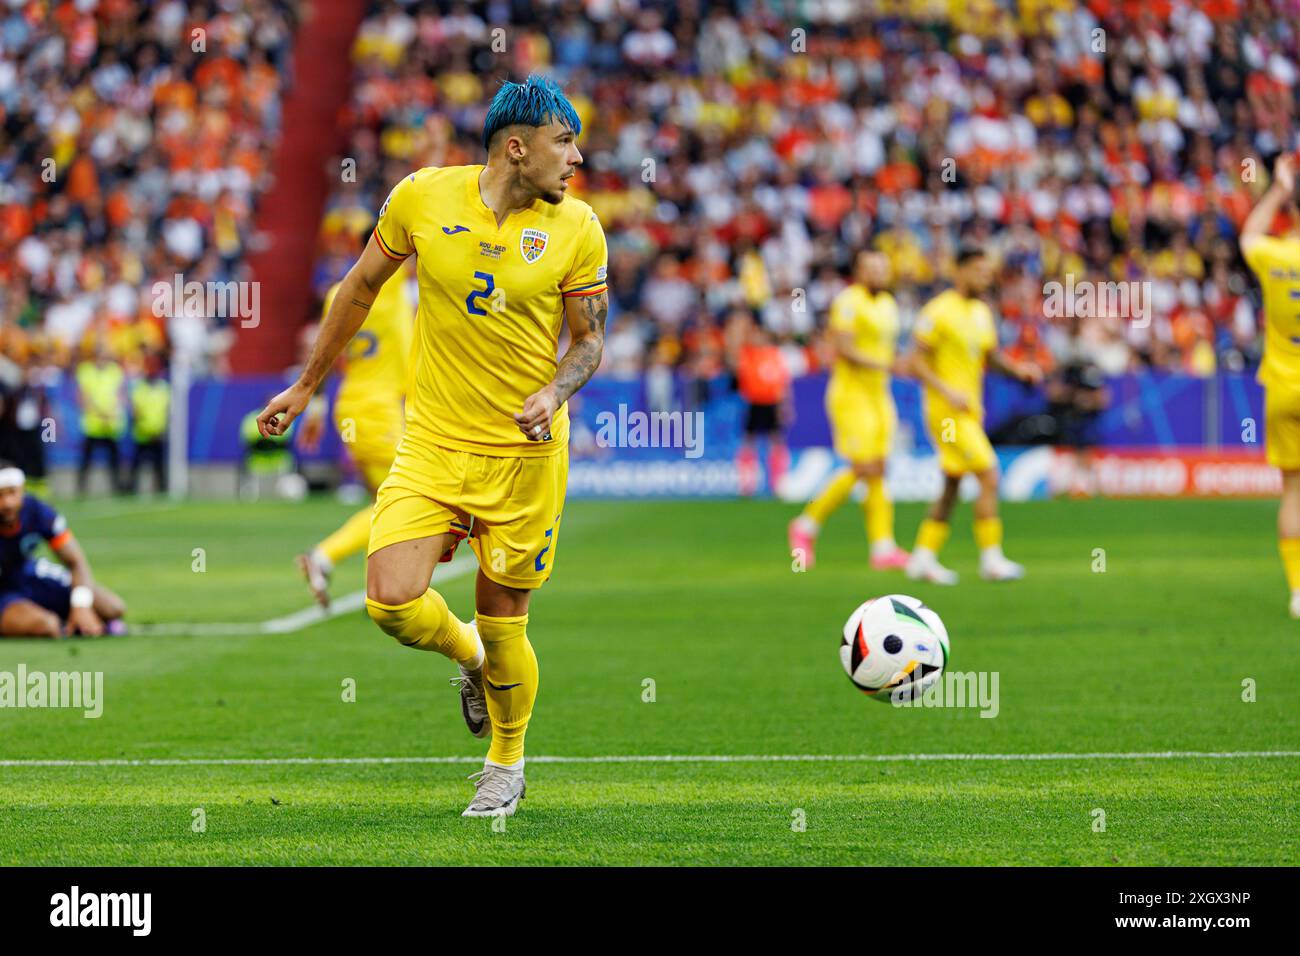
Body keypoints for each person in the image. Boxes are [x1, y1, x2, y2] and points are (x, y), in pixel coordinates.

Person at [257, 75, 608, 817]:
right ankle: (471, 661)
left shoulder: (579, 227)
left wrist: (557, 390)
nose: (577, 158)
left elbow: (589, 341)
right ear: (517, 149)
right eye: (564, 142)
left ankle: (506, 763)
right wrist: (306, 386)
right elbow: (358, 287)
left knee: (503, 614)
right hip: (435, 442)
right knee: (388, 600)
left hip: (524, 455)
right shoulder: (420, 197)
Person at [903, 244, 1043, 585]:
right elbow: (915, 360)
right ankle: (991, 558)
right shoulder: (938, 311)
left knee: (952, 484)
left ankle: (922, 558)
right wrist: (946, 389)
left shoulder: (982, 312)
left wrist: (1018, 370)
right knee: (989, 474)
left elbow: (990, 356)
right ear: (960, 270)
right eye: (979, 271)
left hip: (968, 411)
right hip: (947, 414)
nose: (985, 277)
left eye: (987, 272)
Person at [296, 229, 416, 606]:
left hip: (351, 404)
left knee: (383, 501)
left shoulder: (340, 291)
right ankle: (323, 557)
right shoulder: (391, 282)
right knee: (407, 499)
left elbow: (326, 349)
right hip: (378, 410)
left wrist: (315, 406)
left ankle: (379, 591)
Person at [788, 251, 909, 570]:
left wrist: (896, 362)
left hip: (879, 394)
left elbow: (886, 349)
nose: (879, 273)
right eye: (872, 267)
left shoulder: (888, 305)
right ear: (859, 272)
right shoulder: (848, 301)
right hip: (851, 395)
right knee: (863, 467)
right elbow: (844, 348)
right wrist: (888, 363)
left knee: (879, 467)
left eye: (883, 267)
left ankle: (883, 547)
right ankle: (806, 525)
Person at [1240, 152, 1300, 618]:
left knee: (1293, 492)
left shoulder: (1276, 254)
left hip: (1282, 388)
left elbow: (1248, 235)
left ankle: (1299, 591)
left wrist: (1278, 189)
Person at [0, 461, 126, 638]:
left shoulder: (37, 511)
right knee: (46, 626)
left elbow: (75, 561)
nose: (7, 503)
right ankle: (68, 624)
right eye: (0, 496)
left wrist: (81, 606)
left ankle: (81, 619)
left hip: (26, 573)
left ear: (22, 489)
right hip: (3, 590)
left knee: (113, 607)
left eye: (12, 492)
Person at [732, 315, 790, 496]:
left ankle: (778, 483)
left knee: (776, 441)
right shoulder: (747, 354)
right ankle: (747, 483)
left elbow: (782, 383)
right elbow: (733, 348)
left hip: (771, 403)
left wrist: (784, 406)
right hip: (754, 402)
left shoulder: (774, 355)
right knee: (748, 442)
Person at [75, 344, 127, 495]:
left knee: (114, 461)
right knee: (86, 460)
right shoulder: (85, 371)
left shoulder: (115, 371)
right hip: (93, 424)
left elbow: (120, 395)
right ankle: (81, 489)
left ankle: (117, 488)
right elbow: (83, 397)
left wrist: (113, 412)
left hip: (111, 424)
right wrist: (100, 413)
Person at [128, 358, 170, 494]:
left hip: (158, 433)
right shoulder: (140, 387)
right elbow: (135, 410)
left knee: (159, 466)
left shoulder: (163, 387)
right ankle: (131, 488)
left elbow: (168, 410)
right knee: (137, 464)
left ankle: (162, 488)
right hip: (143, 432)